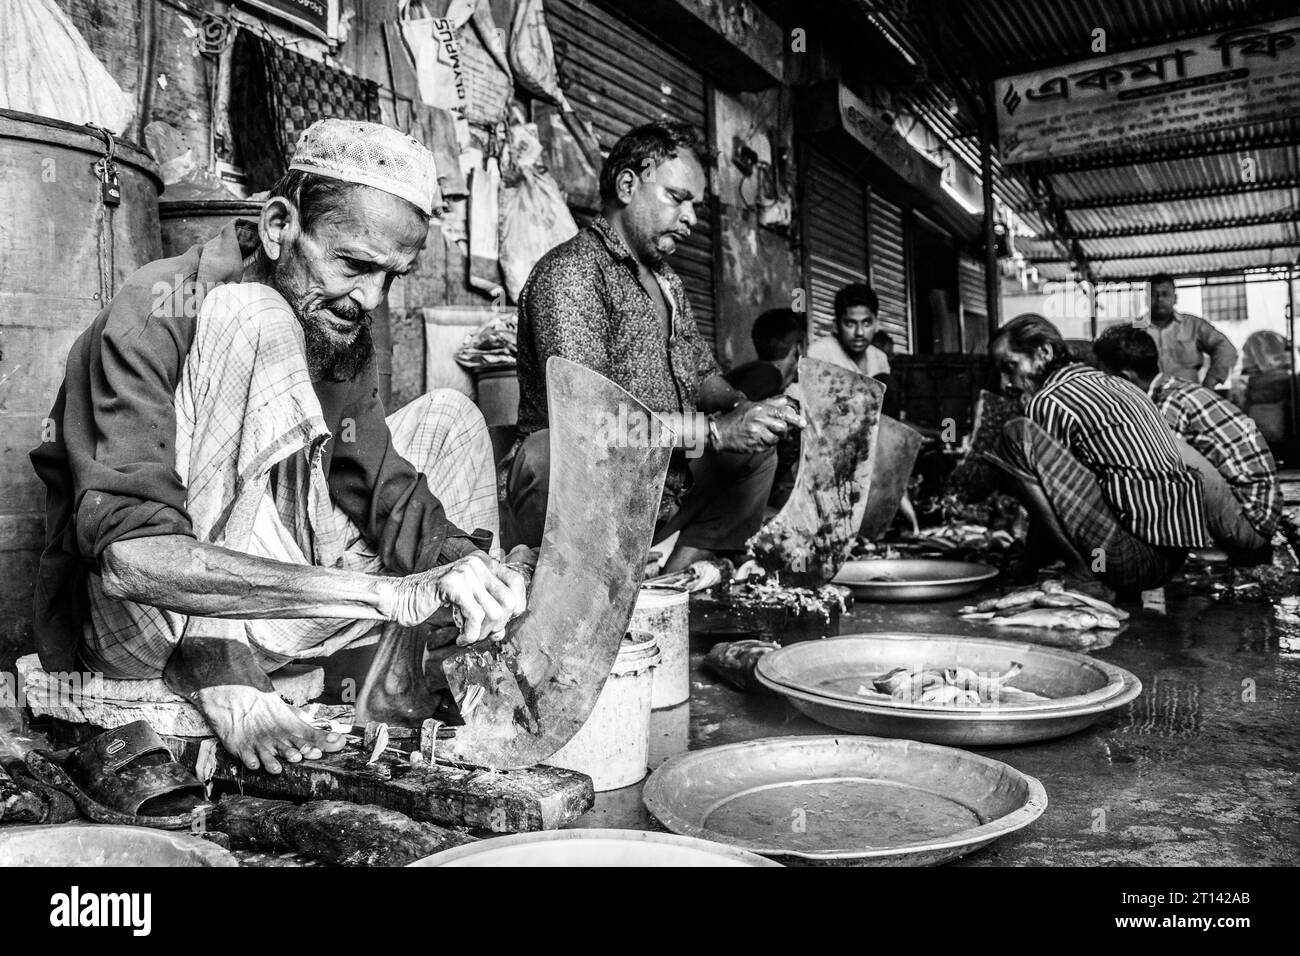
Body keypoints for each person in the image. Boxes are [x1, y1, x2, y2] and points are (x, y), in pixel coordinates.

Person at [30, 120, 533, 775]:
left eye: (392, 276)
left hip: (266, 608)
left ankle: (431, 683)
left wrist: (472, 575)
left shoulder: (331, 321)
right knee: (256, 318)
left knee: (450, 418)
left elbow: (379, 483)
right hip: (147, 619)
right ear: (277, 226)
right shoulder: (158, 308)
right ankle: (214, 654)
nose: (370, 298)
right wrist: (388, 596)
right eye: (353, 264)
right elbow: (129, 563)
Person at [509, 121, 799, 572]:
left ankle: (676, 583)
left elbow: (701, 374)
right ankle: (582, 584)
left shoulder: (667, 283)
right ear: (628, 184)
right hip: (584, 495)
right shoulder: (571, 275)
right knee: (549, 451)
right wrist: (717, 432)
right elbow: (588, 421)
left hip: (662, 484)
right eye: (678, 198)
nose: (692, 219)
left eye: (696, 206)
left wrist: (748, 411)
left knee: (757, 450)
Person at [986, 314, 1209, 595]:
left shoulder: (1050, 398)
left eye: (1011, 366)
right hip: (1171, 560)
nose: (1006, 382)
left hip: (1132, 561)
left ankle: (1084, 574)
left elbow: (1050, 502)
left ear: (1043, 353)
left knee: (1016, 435)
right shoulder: (1118, 384)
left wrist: (1024, 573)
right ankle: (1097, 572)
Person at [1094, 325, 1280, 562]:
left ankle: (1189, 552)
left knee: (1159, 450)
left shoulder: (1166, 404)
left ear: (1125, 378)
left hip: (1249, 528)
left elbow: (1161, 488)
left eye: (1104, 380)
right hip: (1253, 515)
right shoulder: (1172, 388)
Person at [1138, 272, 1237, 388]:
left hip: (1187, 398)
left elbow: (1226, 348)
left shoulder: (1194, 325)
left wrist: (1210, 382)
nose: (1160, 299)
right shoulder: (1133, 330)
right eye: (1153, 295)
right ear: (1145, 300)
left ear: (1175, 298)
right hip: (1145, 401)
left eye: (1165, 294)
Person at [807, 282, 891, 377]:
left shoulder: (880, 358)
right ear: (836, 326)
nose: (859, 332)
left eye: (866, 323)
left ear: (876, 325)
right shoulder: (819, 354)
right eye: (850, 324)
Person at [724, 307, 806, 401]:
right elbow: (735, 411)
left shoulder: (764, 374)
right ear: (798, 349)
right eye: (805, 346)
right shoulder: (770, 375)